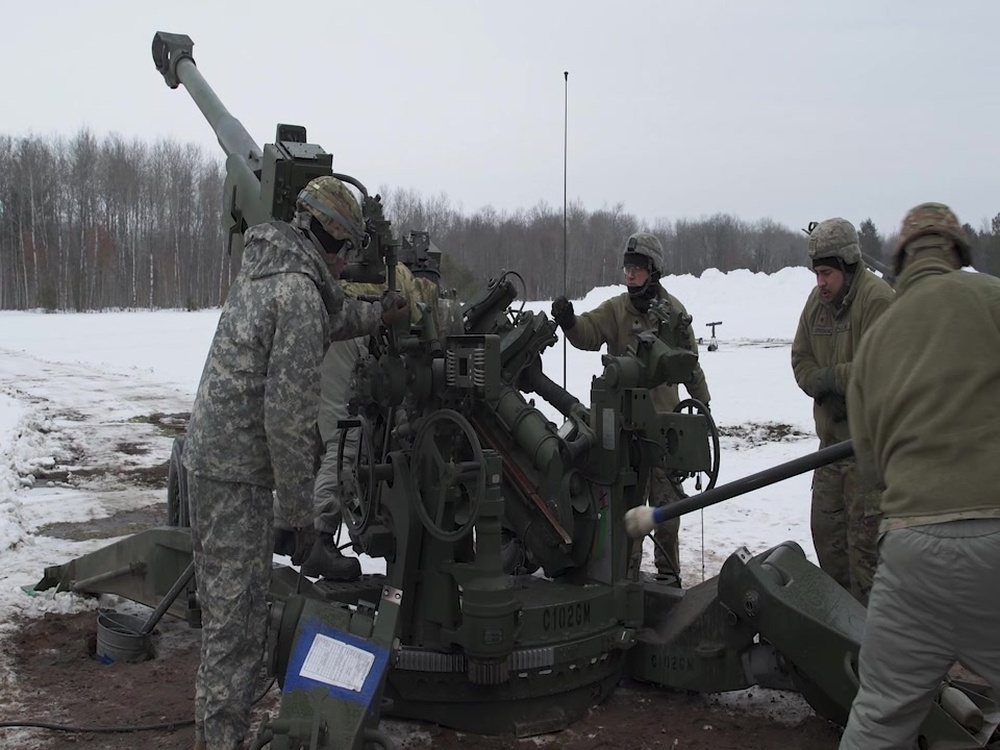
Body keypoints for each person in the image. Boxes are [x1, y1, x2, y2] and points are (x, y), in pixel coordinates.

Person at [182, 175, 409, 750]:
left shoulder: (268, 273)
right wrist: (304, 518)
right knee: (235, 630)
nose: (343, 265)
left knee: (228, 616)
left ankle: (222, 728)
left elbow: (332, 320)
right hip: (238, 478)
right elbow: (286, 423)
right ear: (331, 242)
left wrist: (380, 311)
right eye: (345, 252)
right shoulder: (300, 295)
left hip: (213, 466)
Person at [839, 202, 1000, 749]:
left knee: (879, 719)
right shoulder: (993, 300)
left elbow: (870, 463)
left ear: (902, 259)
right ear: (958, 251)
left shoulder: (879, 335)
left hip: (910, 553)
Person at [550, 231, 710, 585]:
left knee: (667, 511)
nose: (630, 275)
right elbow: (588, 333)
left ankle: (668, 580)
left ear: (653, 270)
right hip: (625, 433)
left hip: (665, 429)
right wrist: (569, 322)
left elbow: (691, 364)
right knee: (626, 513)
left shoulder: (674, 313)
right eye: (627, 268)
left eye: (637, 268)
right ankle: (626, 580)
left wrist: (703, 407)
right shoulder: (616, 310)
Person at [274, 260, 441, 581]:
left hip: (325, 333)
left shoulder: (381, 269)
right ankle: (320, 540)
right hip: (349, 339)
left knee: (314, 438)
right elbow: (420, 337)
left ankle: (283, 525)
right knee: (344, 439)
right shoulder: (410, 283)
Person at [791, 217, 893, 604]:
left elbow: (883, 367)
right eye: (817, 273)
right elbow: (800, 357)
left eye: (828, 273)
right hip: (829, 451)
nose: (821, 282)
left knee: (868, 563)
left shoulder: (878, 299)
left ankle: (877, 651)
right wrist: (819, 385)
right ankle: (840, 642)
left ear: (849, 266)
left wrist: (834, 380)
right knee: (829, 548)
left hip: (867, 457)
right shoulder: (817, 303)